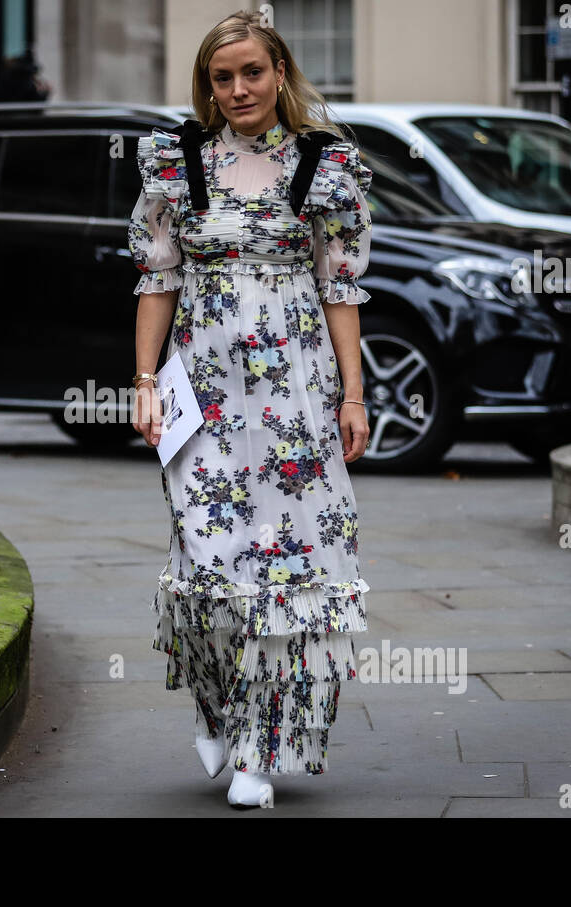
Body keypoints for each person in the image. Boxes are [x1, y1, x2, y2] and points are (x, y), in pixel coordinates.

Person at [127, 9, 371, 809]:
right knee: (203, 561)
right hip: (202, 393)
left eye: (251, 73)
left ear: (279, 73)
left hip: (295, 398)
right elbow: (157, 278)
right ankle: (219, 713)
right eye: (220, 77)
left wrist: (354, 396)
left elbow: (340, 289)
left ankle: (262, 750)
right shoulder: (177, 162)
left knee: (288, 571)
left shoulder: (325, 166)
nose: (237, 89)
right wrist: (141, 380)